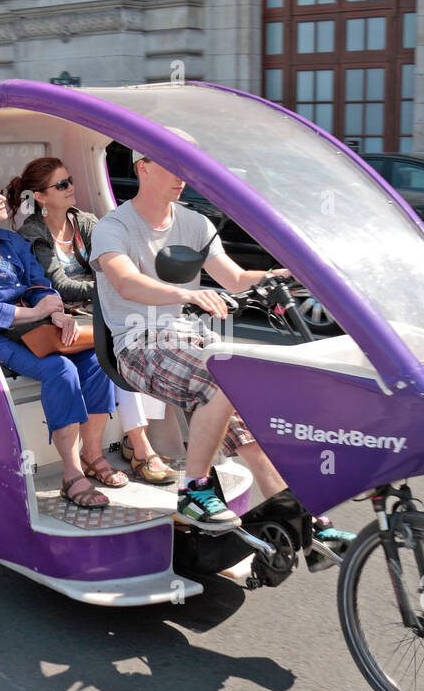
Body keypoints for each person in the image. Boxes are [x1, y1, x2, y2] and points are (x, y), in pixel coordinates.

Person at [90, 137, 355, 569]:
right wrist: (186, 295)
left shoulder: (194, 224)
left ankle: (308, 526)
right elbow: (125, 283)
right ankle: (194, 490)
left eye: (186, 165)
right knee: (223, 376)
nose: (182, 175)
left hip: (188, 341)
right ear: (143, 167)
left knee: (252, 407)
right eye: (172, 165)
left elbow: (233, 279)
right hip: (137, 347)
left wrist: (286, 274)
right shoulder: (113, 227)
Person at [0, 163, 126, 509]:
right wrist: (38, 313)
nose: (2, 200)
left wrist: (54, 309)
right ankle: (71, 475)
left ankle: (92, 453)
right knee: (61, 370)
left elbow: (40, 282)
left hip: (36, 329)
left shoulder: (10, 241)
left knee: (97, 361)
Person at [10, 156, 178, 485]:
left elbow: (116, 258)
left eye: (70, 180)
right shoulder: (33, 233)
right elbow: (58, 284)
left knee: (154, 336)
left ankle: (135, 440)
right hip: (63, 314)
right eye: (61, 185)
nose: (71, 188)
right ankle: (140, 445)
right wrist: (109, 284)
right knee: (121, 345)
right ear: (40, 196)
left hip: (94, 310)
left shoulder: (83, 221)